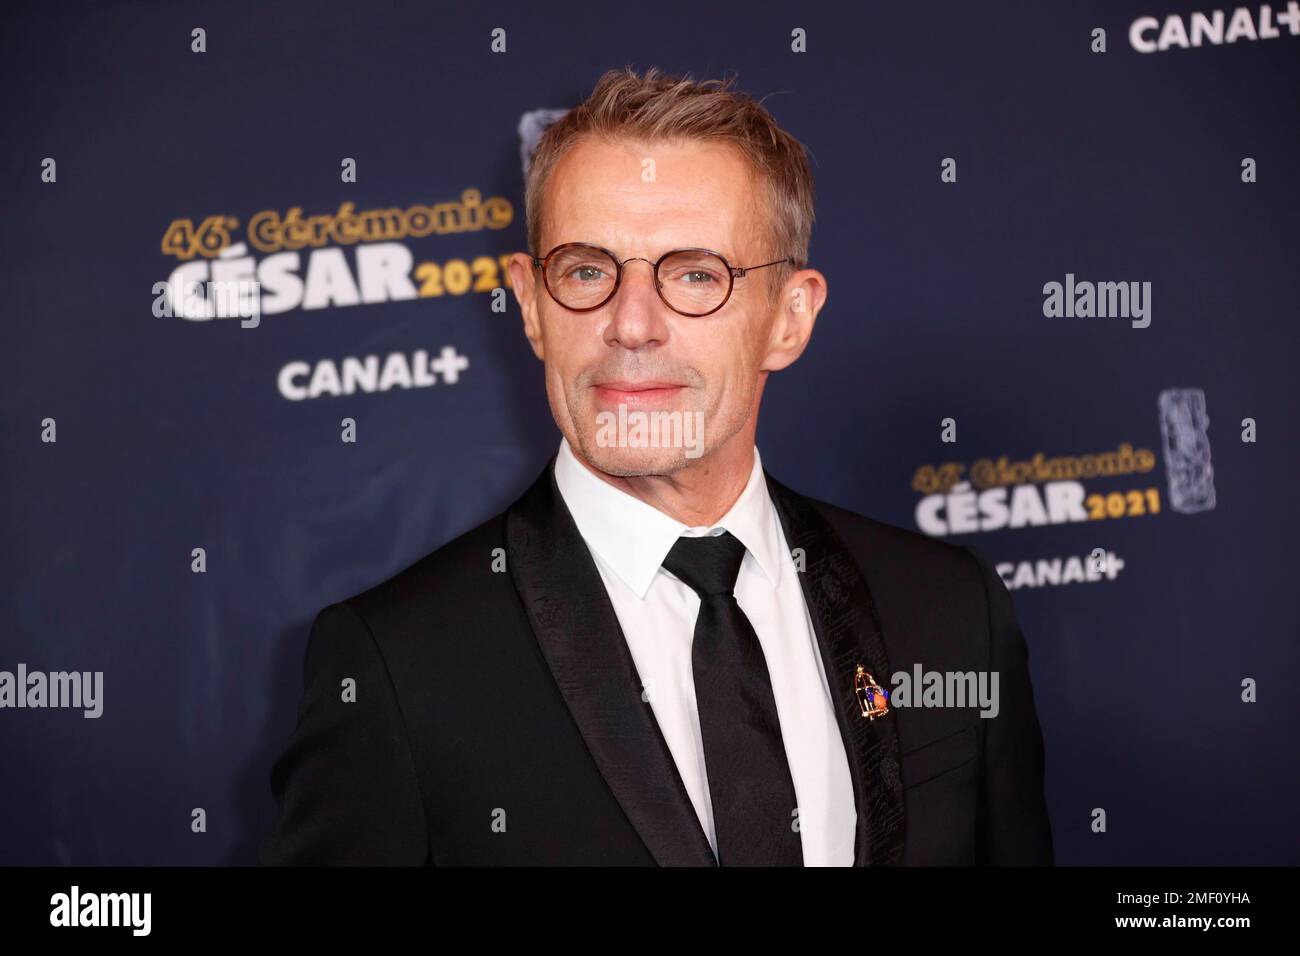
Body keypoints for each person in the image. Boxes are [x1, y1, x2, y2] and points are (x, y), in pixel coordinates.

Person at [260, 66, 1053, 866]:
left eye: (696, 275)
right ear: (530, 306)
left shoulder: (952, 611)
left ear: (789, 318)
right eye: (586, 271)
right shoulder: (397, 667)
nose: (631, 324)